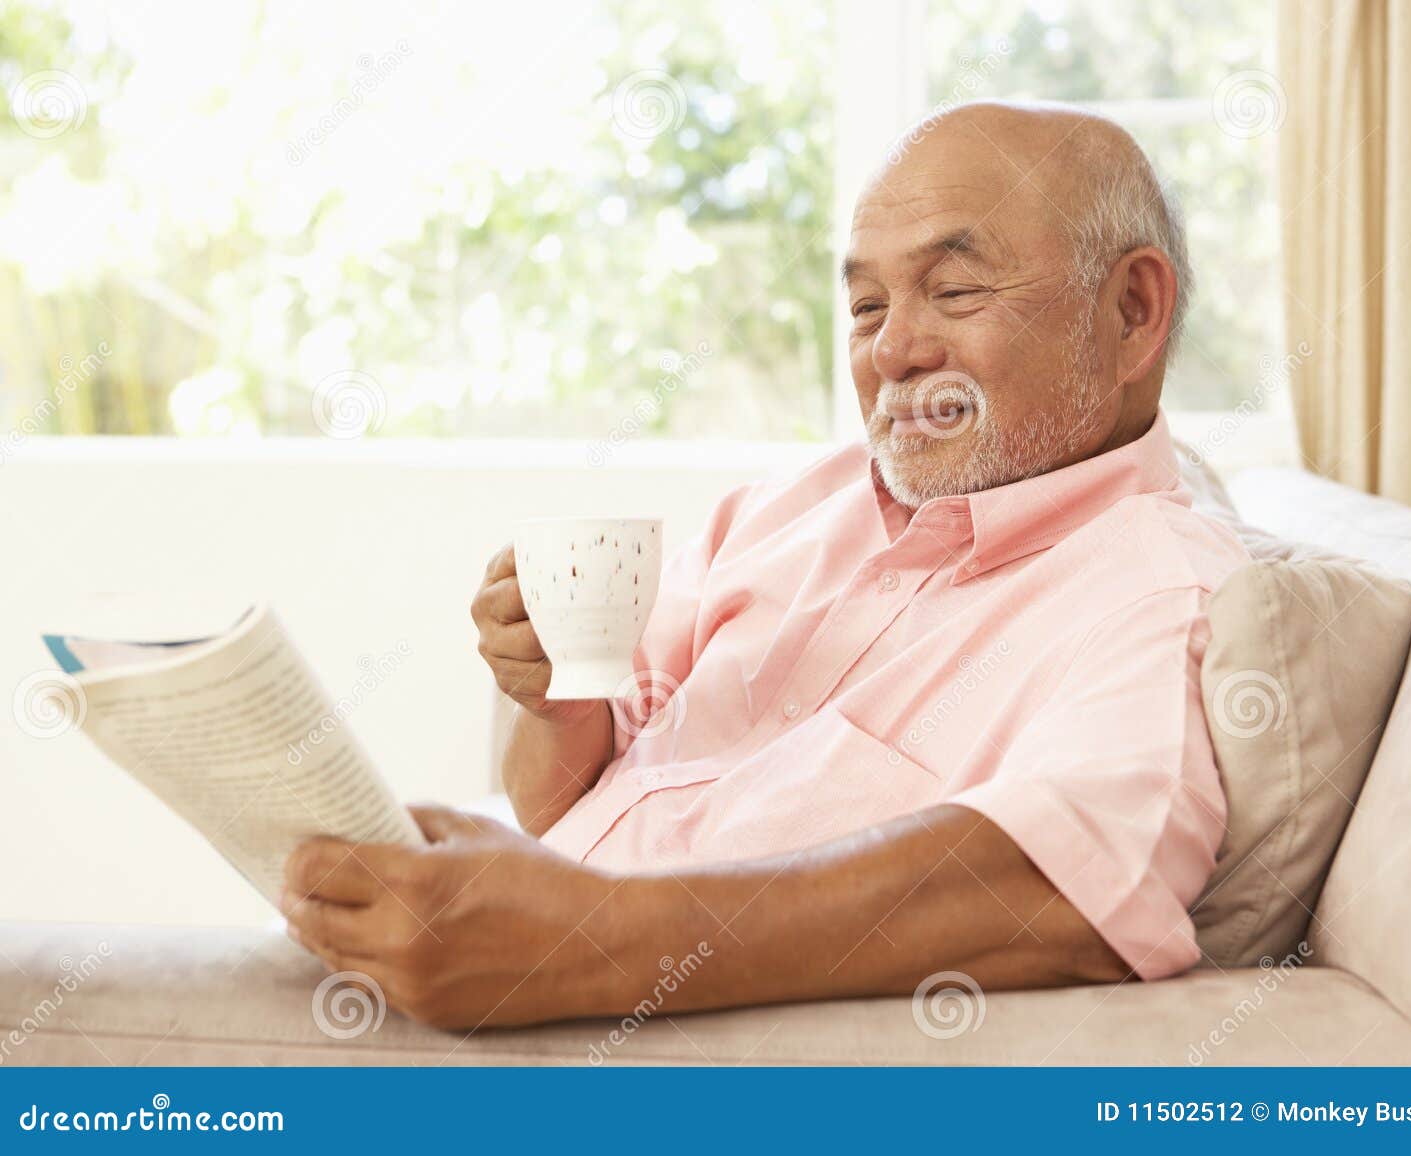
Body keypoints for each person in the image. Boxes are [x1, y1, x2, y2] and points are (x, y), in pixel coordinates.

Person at [281, 101, 1250, 1031]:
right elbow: (559, 796)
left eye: (954, 291)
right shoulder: (789, 505)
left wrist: (589, 939)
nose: (893, 350)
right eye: (866, 306)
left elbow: (1076, 878)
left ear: (1132, 310)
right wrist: (554, 695)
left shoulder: (1161, 587)